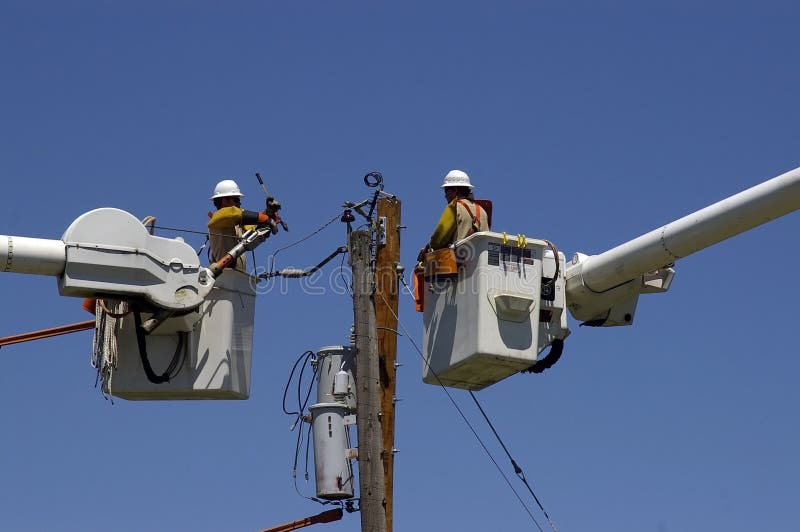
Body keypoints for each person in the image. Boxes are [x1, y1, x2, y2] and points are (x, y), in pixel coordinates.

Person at [207, 179, 273, 271]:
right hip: (223, 275)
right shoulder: (217, 219)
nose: (239, 203)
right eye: (236, 199)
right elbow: (233, 213)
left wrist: (268, 216)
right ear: (224, 200)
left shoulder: (236, 224)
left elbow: (254, 230)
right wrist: (263, 218)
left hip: (236, 278)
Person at [425, 169, 490, 252]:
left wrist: (428, 247)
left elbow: (438, 239)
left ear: (455, 190)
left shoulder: (454, 206)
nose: (445, 195)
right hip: (478, 262)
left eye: (446, 191)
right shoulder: (482, 211)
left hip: (459, 260)